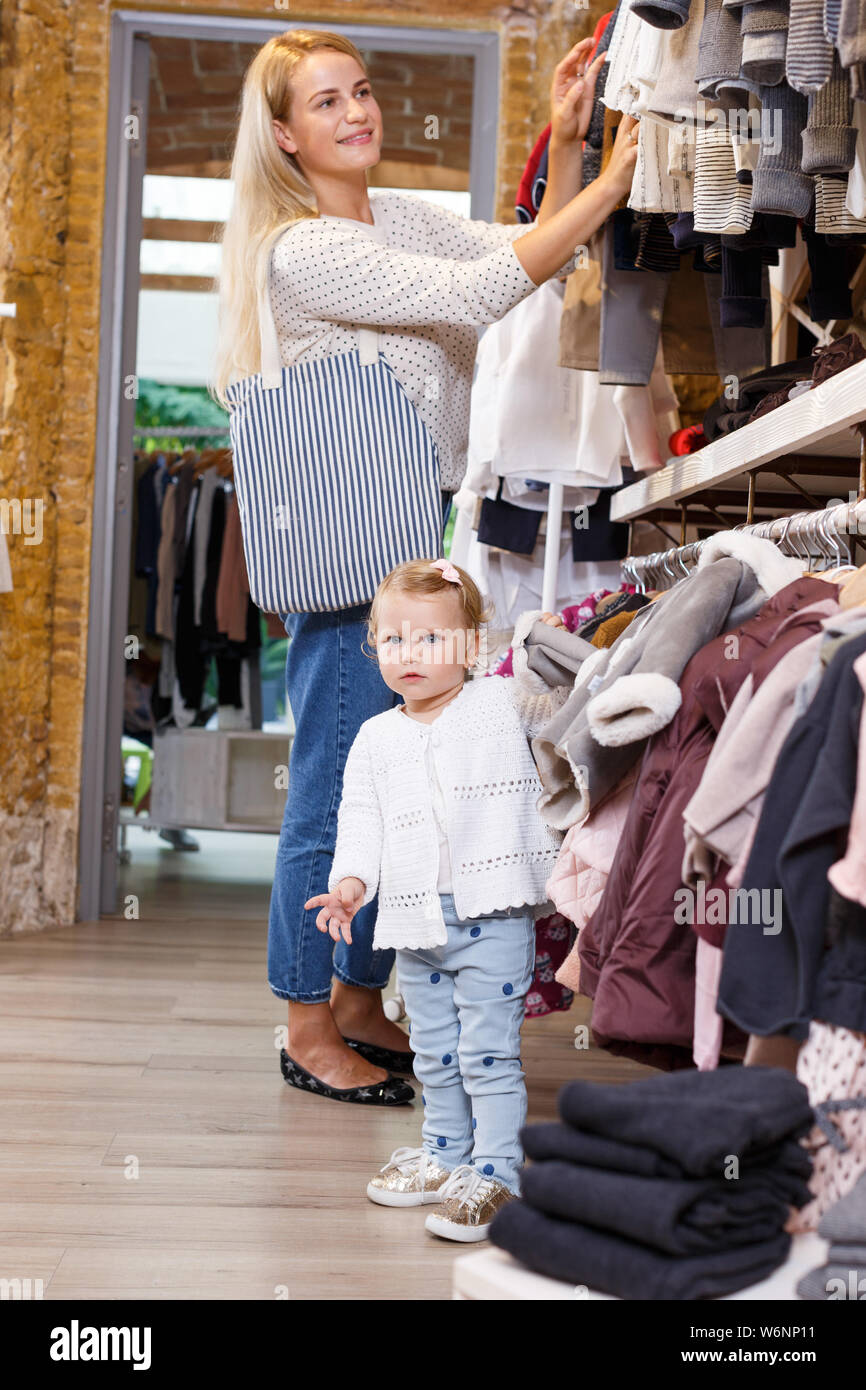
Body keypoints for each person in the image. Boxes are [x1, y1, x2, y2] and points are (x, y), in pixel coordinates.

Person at [212, 26, 639, 1104]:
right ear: (283, 136)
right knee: (329, 797)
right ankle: (305, 1021)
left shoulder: (395, 218)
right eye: (325, 104)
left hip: (405, 541)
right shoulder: (303, 247)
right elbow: (480, 292)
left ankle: (358, 1000)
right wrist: (625, 177)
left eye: (360, 93)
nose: (356, 114)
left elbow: (523, 251)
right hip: (354, 560)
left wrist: (573, 144)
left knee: (394, 783)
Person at [305, 558, 570, 1239]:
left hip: (494, 918)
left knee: (489, 1053)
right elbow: (360, 822)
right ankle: (444, 1155)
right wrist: (350, 884)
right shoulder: (376, 738)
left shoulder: (501, 704)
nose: (410, 656)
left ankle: (498, 1172)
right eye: (394, 641)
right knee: (434, 1052)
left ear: (473, 647)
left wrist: (544, 649)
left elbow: (562, 716)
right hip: (416, 925)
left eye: (430, 640)